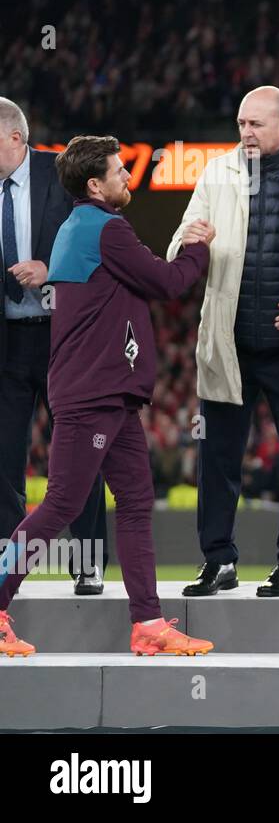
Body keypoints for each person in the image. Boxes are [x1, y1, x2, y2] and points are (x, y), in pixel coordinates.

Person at [0, 136, 213, 656]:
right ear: (95, 184)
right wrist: (198, 245)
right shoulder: (106, 228)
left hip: (108, 393)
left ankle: (148, 624)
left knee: (136, 504)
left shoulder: (80, 226)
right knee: (59, 506)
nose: (127, 178)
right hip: (92, 393)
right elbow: (167, 281)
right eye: (120, 171)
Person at [168, 87, 279, 598]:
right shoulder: (215, 172)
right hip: (230, 341)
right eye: (240, 123)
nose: (244, 133)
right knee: (217, 458)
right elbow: (180, 238)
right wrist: (189, 240)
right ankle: (218, 560)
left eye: (255, 125)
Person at [0, 98, 108, 595]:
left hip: (62, 338)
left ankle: (88, 562)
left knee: (77, 453)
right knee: (4, 458)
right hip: (7, 343)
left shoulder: (59, 172)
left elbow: (94, 237)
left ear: (16, 138)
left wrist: (50, 269)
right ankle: (8, 564)